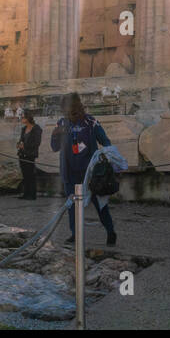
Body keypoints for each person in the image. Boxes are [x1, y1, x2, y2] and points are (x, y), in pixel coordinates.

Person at [51, 93, 117, 246]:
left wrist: (107, 161)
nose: (70, 111)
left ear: (79, 106)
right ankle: (75, 234)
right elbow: (54, 147)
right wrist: (55, 135)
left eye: (73, 107)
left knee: (100, 204)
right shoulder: (61, 123)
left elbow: (106, 142)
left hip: (91, 173)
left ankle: (110, 231)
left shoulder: (91, 122)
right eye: (66, 109)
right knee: (72, 206)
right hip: (70, 173)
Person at [16, 110, 42, 200]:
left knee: (31, 174)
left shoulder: (36, 128)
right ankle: (26, 194)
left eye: (23, 117)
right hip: (22, 154)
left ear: (28, 118)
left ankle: (32, 194)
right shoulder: (24, 129)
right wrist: (19, 144)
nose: (21, 119)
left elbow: (37, 142)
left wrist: (25, 146)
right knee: (25, 175)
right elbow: (21, 139)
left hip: (30, 154)